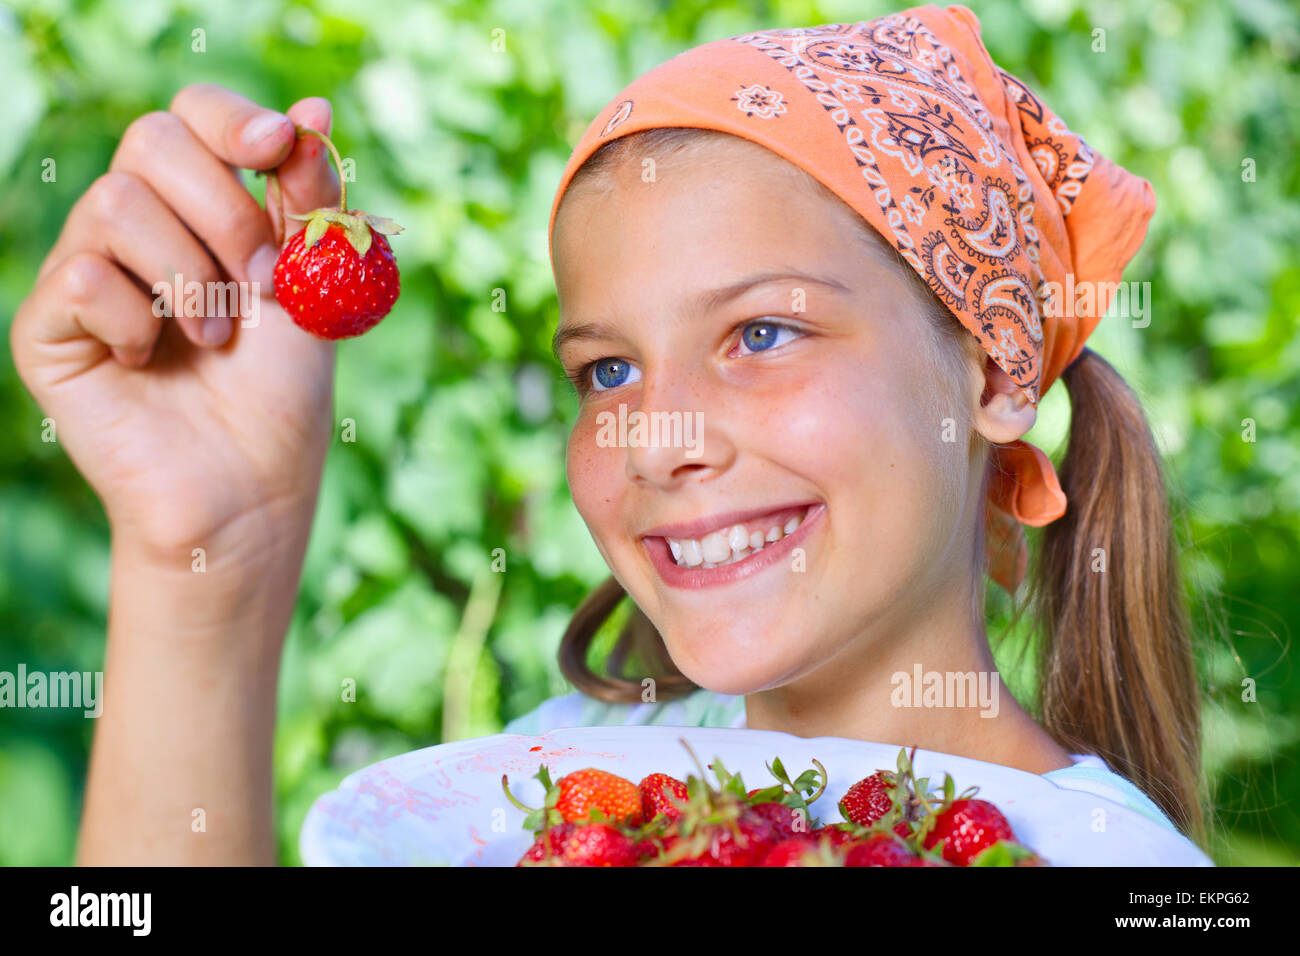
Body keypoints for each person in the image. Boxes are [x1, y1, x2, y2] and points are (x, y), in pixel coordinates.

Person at [10, 4, 1210, 865]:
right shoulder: (566, 791)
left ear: (997, 360)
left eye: (761, 333)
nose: (654, 438)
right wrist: (198, 561)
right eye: (609, 367)